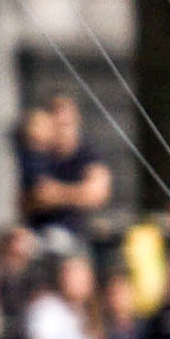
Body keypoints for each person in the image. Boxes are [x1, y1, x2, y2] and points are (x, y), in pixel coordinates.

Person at [22, 93, 113, 248]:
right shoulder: (35, 155)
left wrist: (55, 193)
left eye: (66, 124)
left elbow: (97, 194)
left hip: (77, 235)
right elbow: (32, 197)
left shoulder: (88, 155)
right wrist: (78, 193)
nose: (61, 129)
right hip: (37, 234)